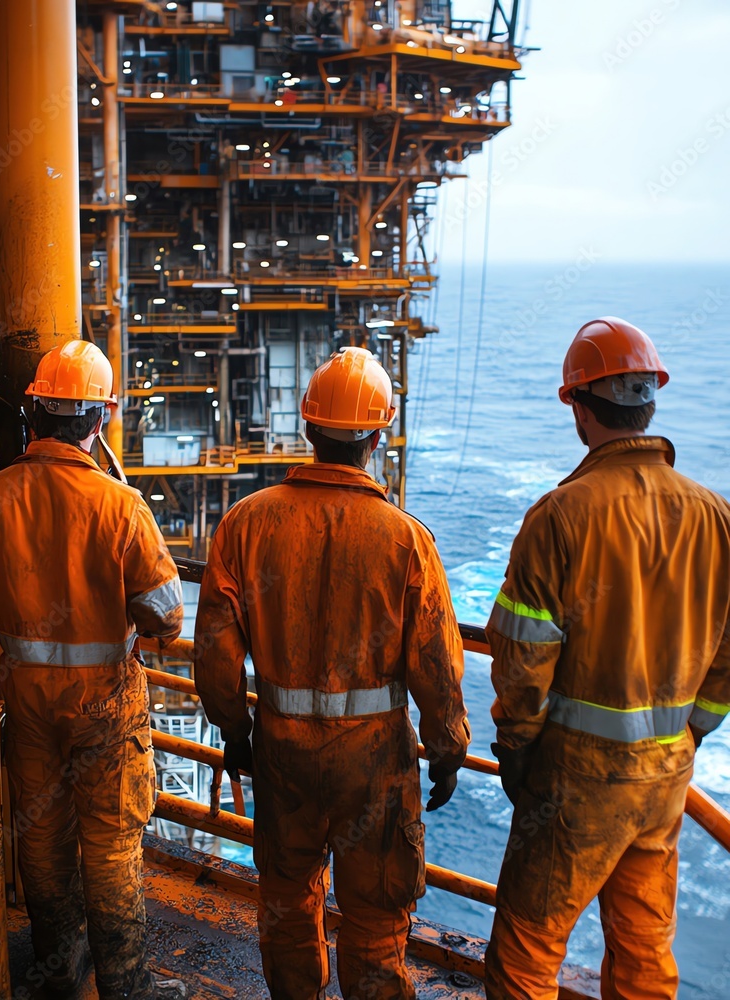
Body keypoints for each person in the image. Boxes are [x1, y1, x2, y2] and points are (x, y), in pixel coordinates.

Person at [193, 346, 469, 1000]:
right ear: (378, 436)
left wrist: (236, 732)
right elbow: (437, 667)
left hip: (284, 750)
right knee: (375, 922)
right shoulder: (406, 540)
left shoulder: (246, 524)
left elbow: (213, 655)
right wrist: (449, 750)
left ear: (309, 429)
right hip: (373, 762)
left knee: (289, 906)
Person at [484, 317, 730, 999]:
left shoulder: (559, 516)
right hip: (665, 775)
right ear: (650, 402)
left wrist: (517, 747)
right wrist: (694, 730)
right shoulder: (716, 515)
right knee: (645, 947)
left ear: (579, 407)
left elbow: (524, 658)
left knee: (528, 947)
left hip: (576, 777)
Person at [0, 341, 187, 1000]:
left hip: (26, 701)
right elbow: (164, 616)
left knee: (41, 835)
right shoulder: (119, 507)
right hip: (105, 707)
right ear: (101, 420)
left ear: (33, 414)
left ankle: (56, 963)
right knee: (112, 846)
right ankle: (125, 984)